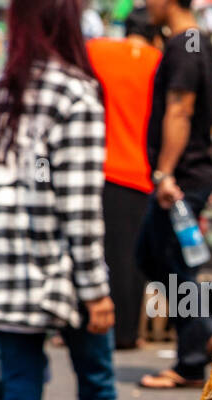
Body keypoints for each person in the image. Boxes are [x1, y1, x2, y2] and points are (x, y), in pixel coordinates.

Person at [0, 0, 128, 400]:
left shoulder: (2, 90)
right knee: (97, 391)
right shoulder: (75, 92)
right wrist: (96, 288)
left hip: (6, 273)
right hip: (62, 275)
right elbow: (78, 206)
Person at [137, 0, 212, 389]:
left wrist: (165, 173)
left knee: (171, 263)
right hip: (183, 174)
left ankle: (192, 358)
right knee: (157, 257)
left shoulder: (188, 44)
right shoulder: (191, 41)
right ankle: (206, 334)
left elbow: (180, 109)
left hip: (181, 177)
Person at [87, 6, 161, 351]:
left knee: (96, 250)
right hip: (139, 170)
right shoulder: (159, 60)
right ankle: (127, 333)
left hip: (97, 166)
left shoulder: (97, 50)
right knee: (132, 257)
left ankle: (91, 325)